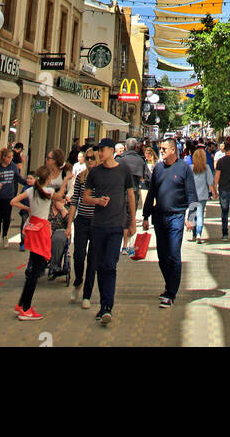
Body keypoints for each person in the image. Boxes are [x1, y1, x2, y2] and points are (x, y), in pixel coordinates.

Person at [82, 138, 136, 325]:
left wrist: (132, 222)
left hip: (115, 226)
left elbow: (130, 195)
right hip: (98, 226)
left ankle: (107, 307)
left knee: (110, 265)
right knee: (100, 265)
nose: (99, 153)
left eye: (102, 150)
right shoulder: (95, 172)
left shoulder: (124, 170)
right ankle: (104, 305)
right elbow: (85, 197)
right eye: (98, 150)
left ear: (112, 151)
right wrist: (97, 201)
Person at [142, 137, 197, 306]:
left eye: (164, 149)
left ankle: (171, 292)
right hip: (159, 217)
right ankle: (169, 284)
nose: (161, 151)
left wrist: (191, 217)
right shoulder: (158, 168)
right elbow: (152, 192)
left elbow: (192, 193)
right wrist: (145, 216)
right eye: (161, 149)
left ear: (173, 150)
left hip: (177, 216)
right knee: (162, 256)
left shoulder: (184, 168)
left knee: (173, 254)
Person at [10, 166, 56, 320]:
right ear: (48, 179)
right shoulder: (49, 192)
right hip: (41, 231)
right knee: (35, 271)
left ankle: (22, 304)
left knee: (34, 268)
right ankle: (26, 308)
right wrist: (66, 181)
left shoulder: (31, 191)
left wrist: (27, 209)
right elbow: (61, 196)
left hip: (32, 229)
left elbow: (13, 201)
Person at [66, 147, 98, 309]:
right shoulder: (81, 177)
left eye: (93, 158)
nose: (90, 161)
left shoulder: (102, 177)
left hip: (97, 222)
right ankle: (78, 280)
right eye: (88, 158)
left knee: (93, 259)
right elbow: (74, 201)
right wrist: (69, 225)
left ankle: (87, 295)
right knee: (79, 255)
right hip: (82, 220)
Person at [0, 146, 27, 250]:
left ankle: (5, 235)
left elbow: (18, 178)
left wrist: (28, 183)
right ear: (4, 157)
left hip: (9, 197)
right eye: (9, 157)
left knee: (6, 218)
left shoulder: (13, 166)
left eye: (11, 157)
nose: (10, 159)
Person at [190, 146, 216, 243]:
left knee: (193, 214)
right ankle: (198, 233)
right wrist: (214, 193)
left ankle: (193, 234)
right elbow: (210, 182)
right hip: (203, 195)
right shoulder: (206, 168)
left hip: (192, 196)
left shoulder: (190, 168)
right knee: (200, 214)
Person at [120, 137, 149, 215]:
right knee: (131, 217)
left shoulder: (120, 159)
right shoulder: (140, 161)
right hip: (133, 193)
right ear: (136, 147)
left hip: (120, 193)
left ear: (125, 147)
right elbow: (144, 178)